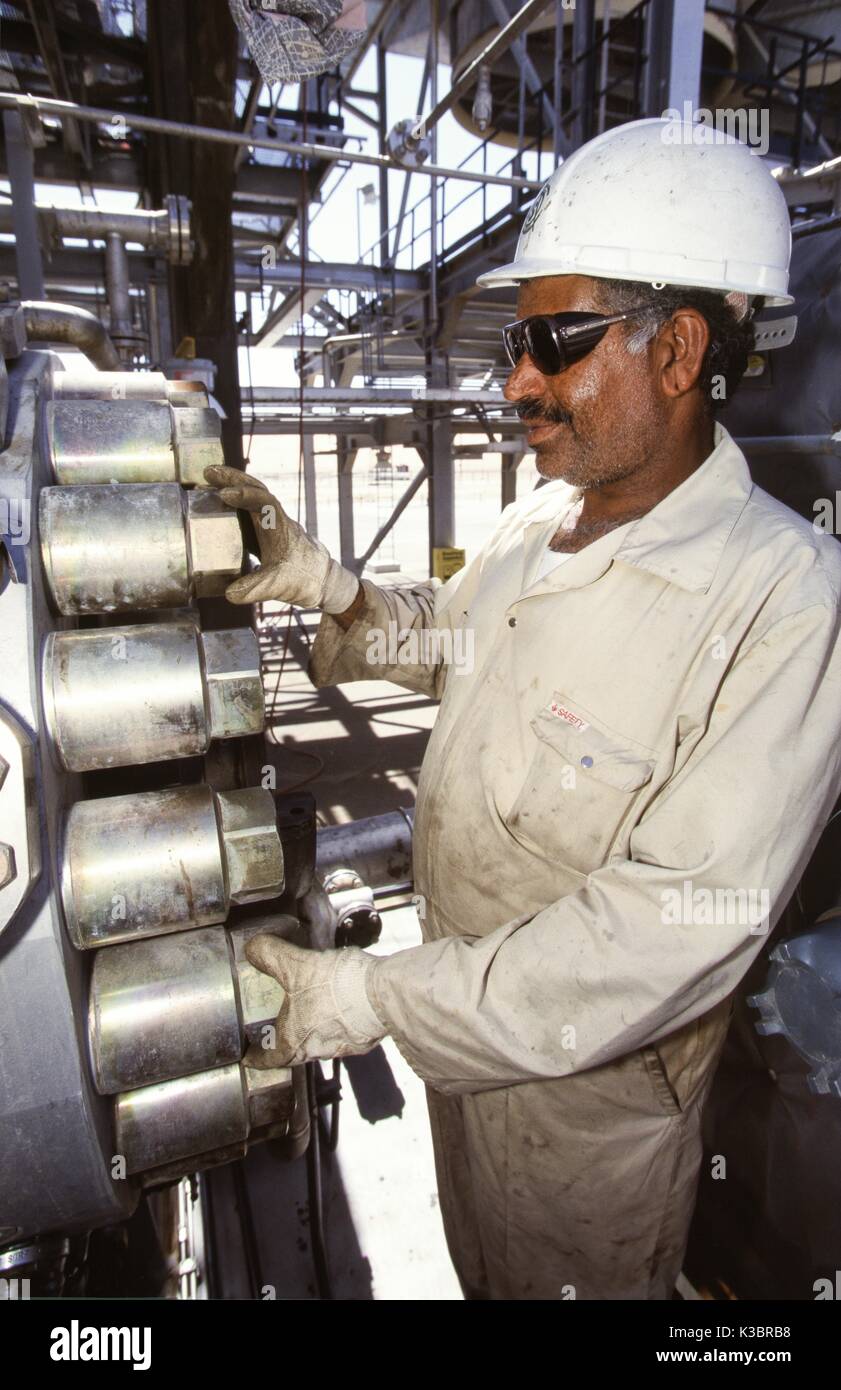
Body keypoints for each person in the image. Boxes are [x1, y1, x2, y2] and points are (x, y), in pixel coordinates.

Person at [204, 118, 841, 1300]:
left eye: (553, 342)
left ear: (677, 348)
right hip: (463, 1053)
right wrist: (330, 584)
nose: (516, 382)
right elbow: (455, 638)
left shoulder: (784, 599)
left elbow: (669, 930)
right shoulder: (534, 519)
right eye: (515, 341)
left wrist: (366, 996)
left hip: (591, 1108)